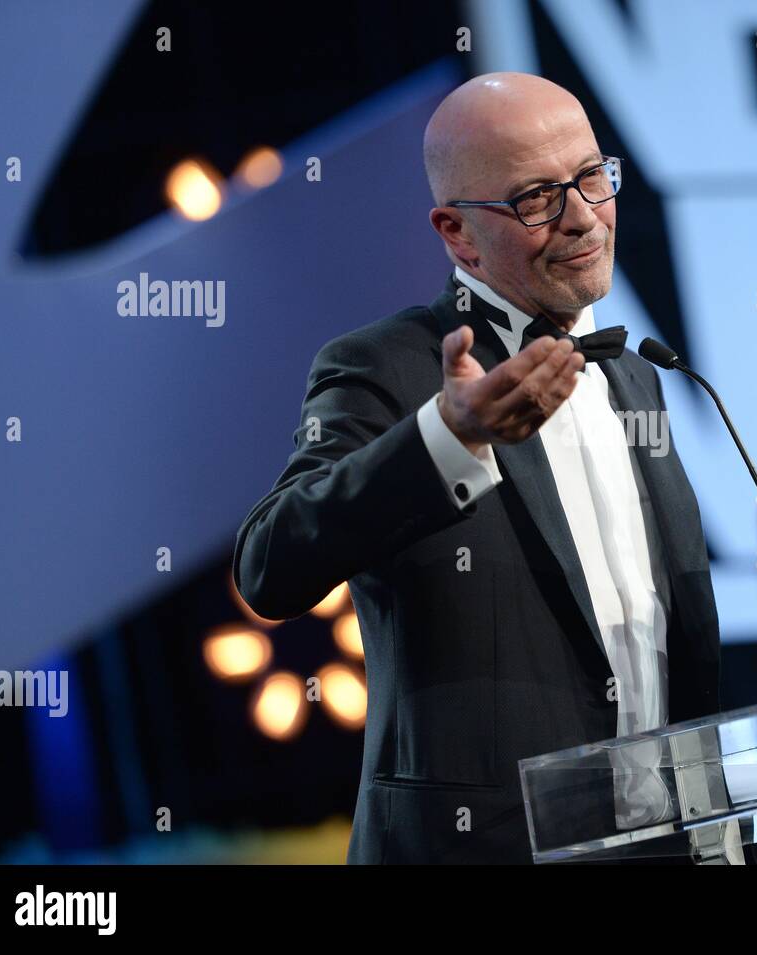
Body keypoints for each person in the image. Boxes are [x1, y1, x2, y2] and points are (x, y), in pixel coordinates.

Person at [233, 73, 720, 864]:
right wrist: (445, 439)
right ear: (457, 233)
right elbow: (268, 564)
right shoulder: (385, 365)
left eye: (593, 177)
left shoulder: (637, 374)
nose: (583, 218)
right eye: (536, 198)